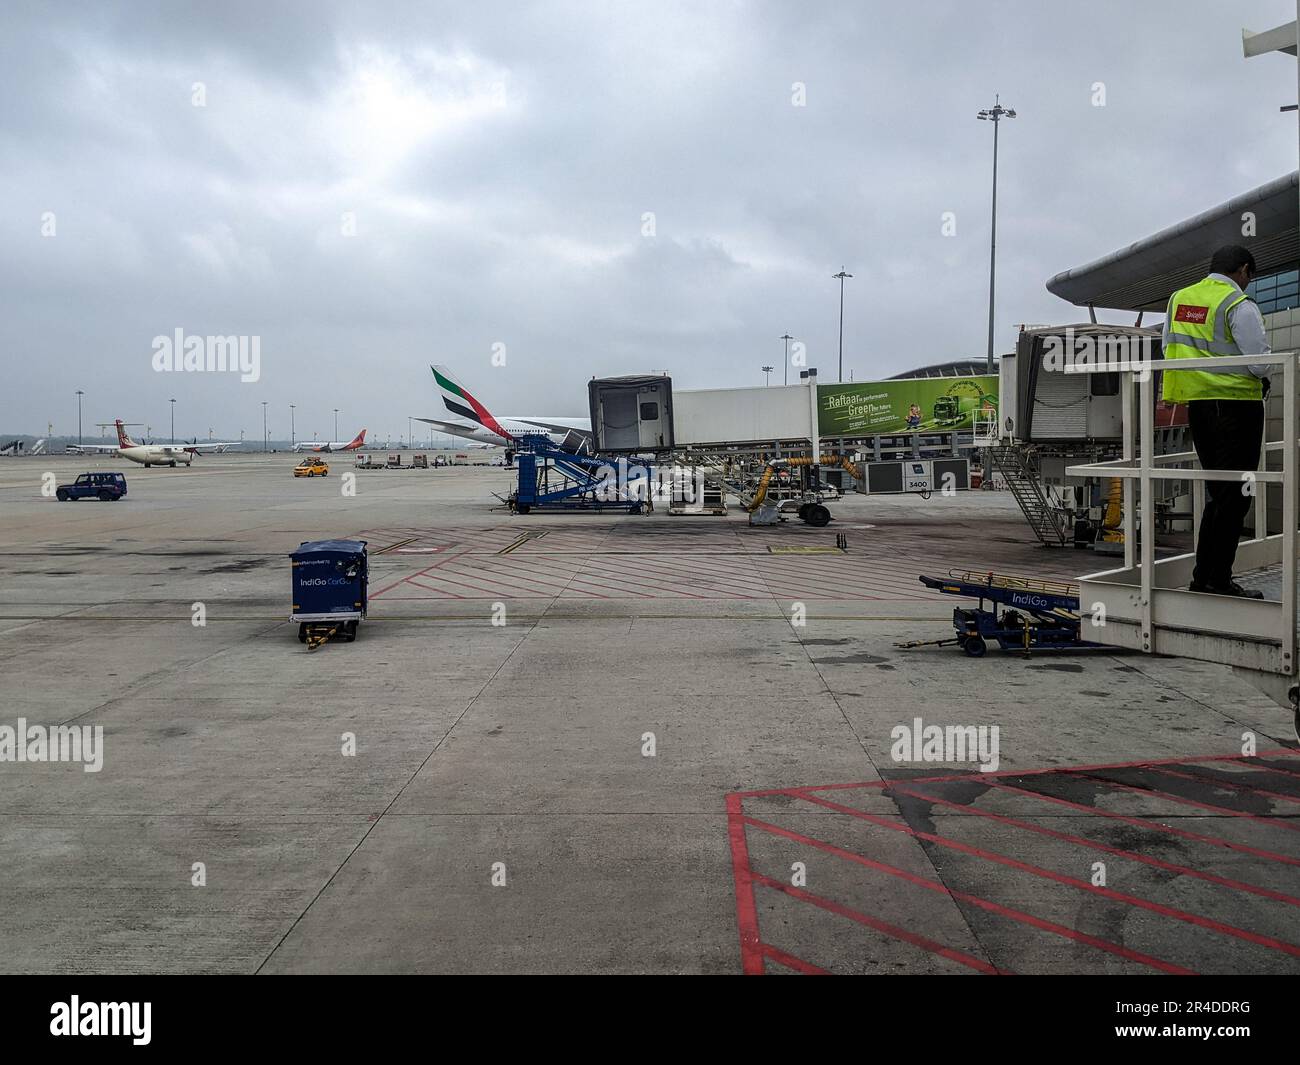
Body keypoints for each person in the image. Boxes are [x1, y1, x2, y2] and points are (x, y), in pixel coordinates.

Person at [1162, 245, 1271, 598]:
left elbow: (1168, 349)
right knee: (1235, 496)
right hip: (1237, 407)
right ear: (1243, 270)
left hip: (1199, 408)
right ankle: (1217, 579)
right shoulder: (1237, 304)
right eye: (1248, 278)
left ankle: (1204, 577)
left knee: (1220, 494)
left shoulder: (1180, 299)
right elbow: (1260, 364)